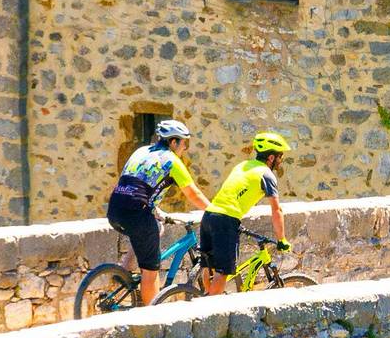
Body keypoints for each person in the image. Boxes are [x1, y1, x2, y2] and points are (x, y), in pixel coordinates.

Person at [105, 119, 210, 306]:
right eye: (184, 142)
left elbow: (135, 184)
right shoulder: (172, 161)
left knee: (155, 228)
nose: (185, 148)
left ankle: (124, 269)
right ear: (173, 142)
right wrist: (214, 211)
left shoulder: (141, 151)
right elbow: (193, 194)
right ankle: (152, 316)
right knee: (150, 270)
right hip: (137, 215)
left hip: (115, 209)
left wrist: (154, 209)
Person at [200, 130, 292, 296]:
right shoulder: (267, 174)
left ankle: (206, 296)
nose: (281, 161)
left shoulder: (242, 165)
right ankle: (210, 308)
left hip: (209, 215)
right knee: (222, 272)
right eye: (280, 156)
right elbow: (276, 210)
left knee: (208, 266)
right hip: (226, 220)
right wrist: (281, 240)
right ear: (271, 158)